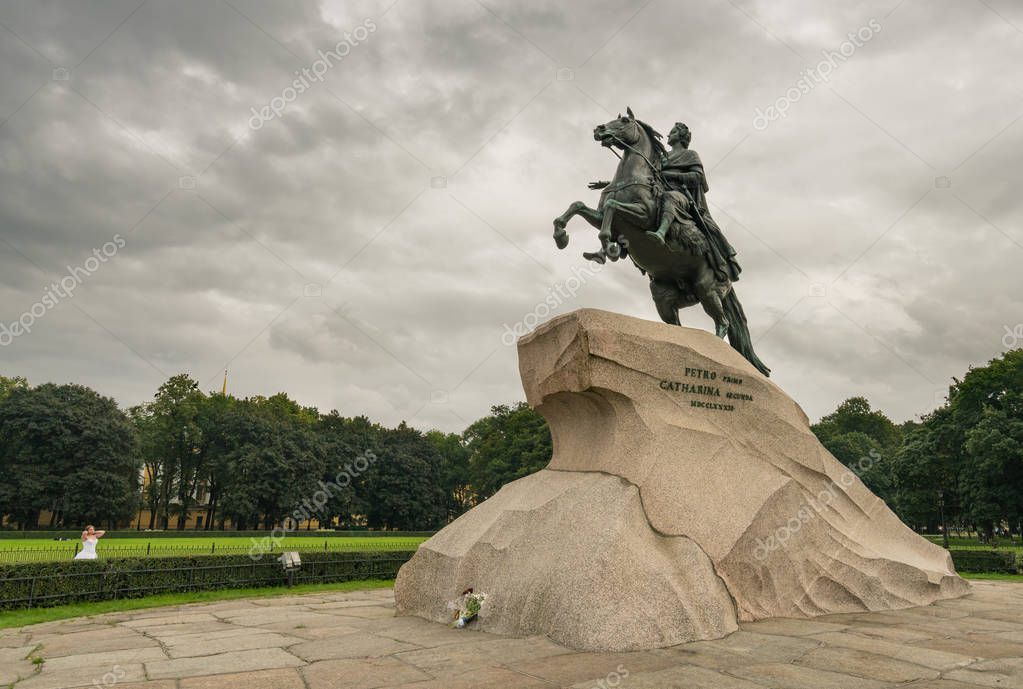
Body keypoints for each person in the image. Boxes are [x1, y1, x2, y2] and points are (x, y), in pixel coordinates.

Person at [650, 122, 741, 283]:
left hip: (681, 197)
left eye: (672, 132)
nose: (668, 134)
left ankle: (661, 232)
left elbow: (698, 178)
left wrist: (671, 175)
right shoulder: (661, 156)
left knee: (670, 197)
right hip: (658, 192)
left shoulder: (690, 154)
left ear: (681, 136)